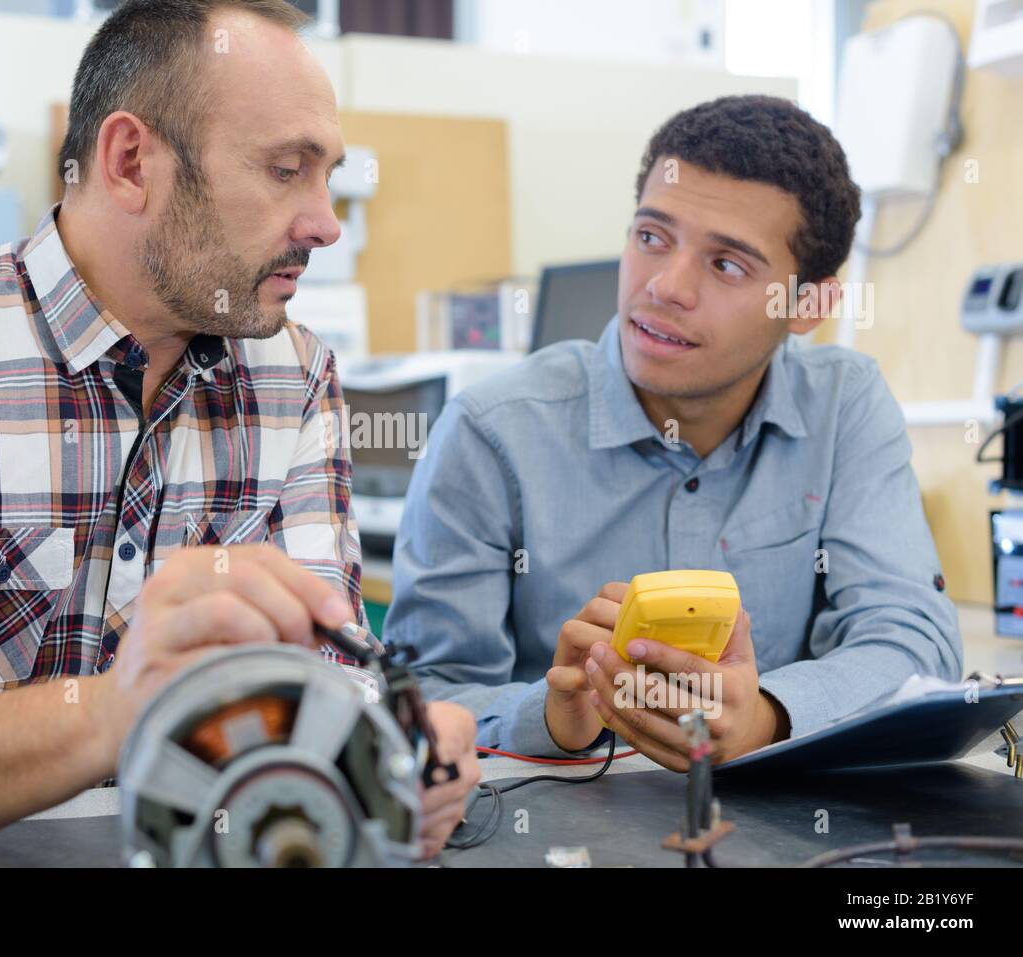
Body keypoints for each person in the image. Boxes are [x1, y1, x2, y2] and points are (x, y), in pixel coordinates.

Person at [0, 0, 478, 857]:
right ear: (129, 162)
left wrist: (394, 748)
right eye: (285, 170)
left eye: (327, 175)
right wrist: (117, 710)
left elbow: (331, 675)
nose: (325, 222)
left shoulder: (295, 377)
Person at [385, 95, 962, 769]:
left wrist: (768, 716)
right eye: (652, 237)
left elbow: (914, 642)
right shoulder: (490, 432)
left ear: (808, 305)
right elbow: (421, 702)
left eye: (725, 265)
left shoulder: (845, 406)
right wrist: (548, 716)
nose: (665, 286)